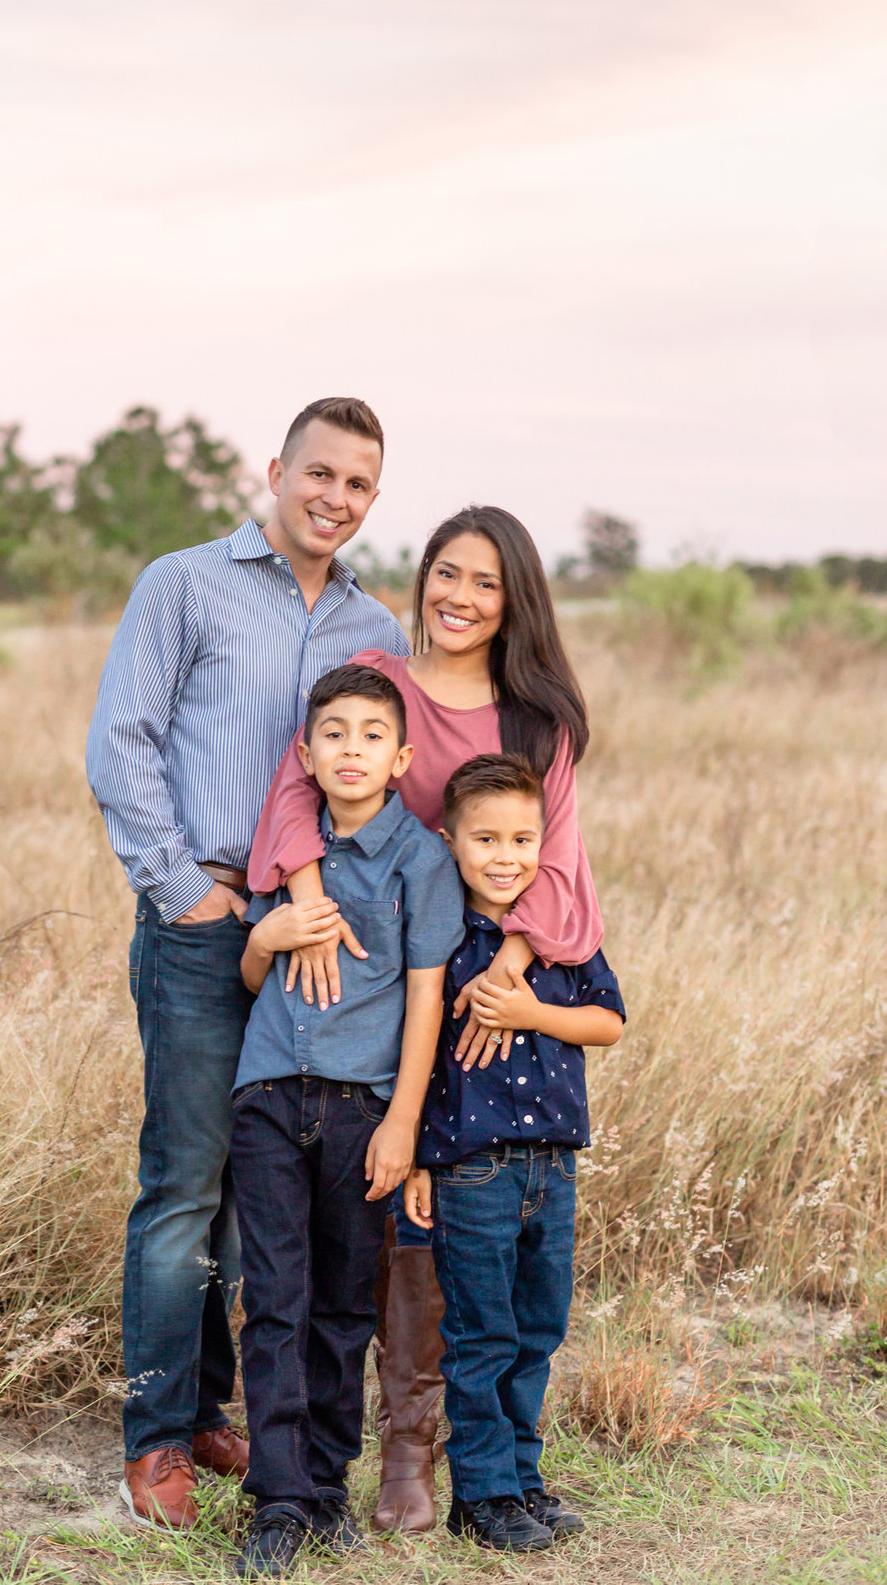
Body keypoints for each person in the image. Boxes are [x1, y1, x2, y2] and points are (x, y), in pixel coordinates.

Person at [85, 398, 410, 1530]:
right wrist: (184, 888)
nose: (334, 497)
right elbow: (120, 737)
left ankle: (215, 1406)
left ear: (374, 499)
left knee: (254, 1193)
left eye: (358, 484)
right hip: (205, 921)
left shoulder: (380, 630)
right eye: (317, 472)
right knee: (183, 1181)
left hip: (315, 948)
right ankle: (156, 1436)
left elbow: (383, 778)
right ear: (276, 470)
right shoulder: (184, 581)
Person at [247, 503, 603, 1530]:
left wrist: (511, 975)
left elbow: (561, 857)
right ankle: (382, 1453)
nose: (457, 596)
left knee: (471, 1226)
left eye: (484, 582)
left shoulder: (540, 719)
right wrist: (306, 909)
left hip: (486, 990)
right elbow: (292, 793)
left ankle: (451, 1454)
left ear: (513, 600)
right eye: (446, 573)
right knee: (395, 1217)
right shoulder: (377, 681)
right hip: (377, 984)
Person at [231, 664, 465, 1578]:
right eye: (333, 733)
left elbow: (425, 1000)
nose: (351, 749)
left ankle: (324, 1483)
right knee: (276, 1301)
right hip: (266, 1098)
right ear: (306, 753)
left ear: (403, 758)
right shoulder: (291, 857)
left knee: (338, 1303)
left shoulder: (423, 862)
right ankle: (278, 1500)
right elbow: (256, 982)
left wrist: (401, 1121)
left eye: (372, 734)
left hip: (361, 1108)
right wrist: (262, 939)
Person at [404, 753, 625, 1552]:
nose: (506, 856)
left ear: (545, 842)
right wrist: (422, 1162)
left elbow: (608, 1022)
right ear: (448, 841)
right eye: (486, 838)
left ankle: (523, 1479)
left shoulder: (560, 937)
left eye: (523, 839)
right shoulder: (444, 941)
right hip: (474, 1169)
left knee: (538, 1329)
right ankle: (483, 1494)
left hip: (555, 1165)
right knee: (480, 1334)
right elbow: (422, 1055)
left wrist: (533, 1012)